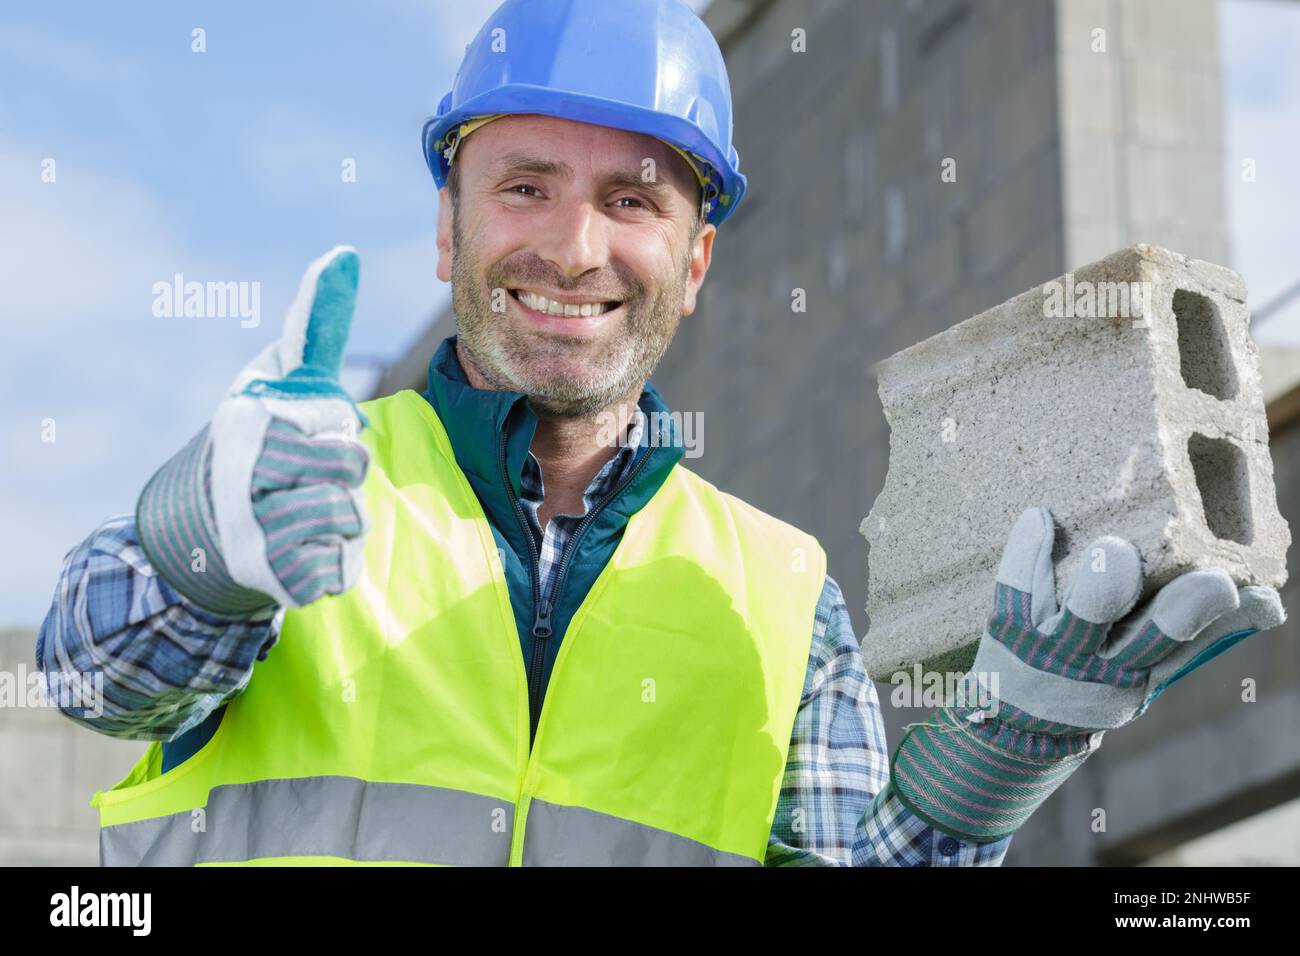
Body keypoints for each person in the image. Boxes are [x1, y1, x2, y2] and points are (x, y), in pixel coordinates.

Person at [37, 0, 1285, 867]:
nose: (573, 248)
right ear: (448, 229)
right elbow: (89, 675)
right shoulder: (296, 485)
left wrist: (1002, 747)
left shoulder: (782, 592)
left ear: (692, 261)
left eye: (630, 199)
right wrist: (201, 547)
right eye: (525, 185)